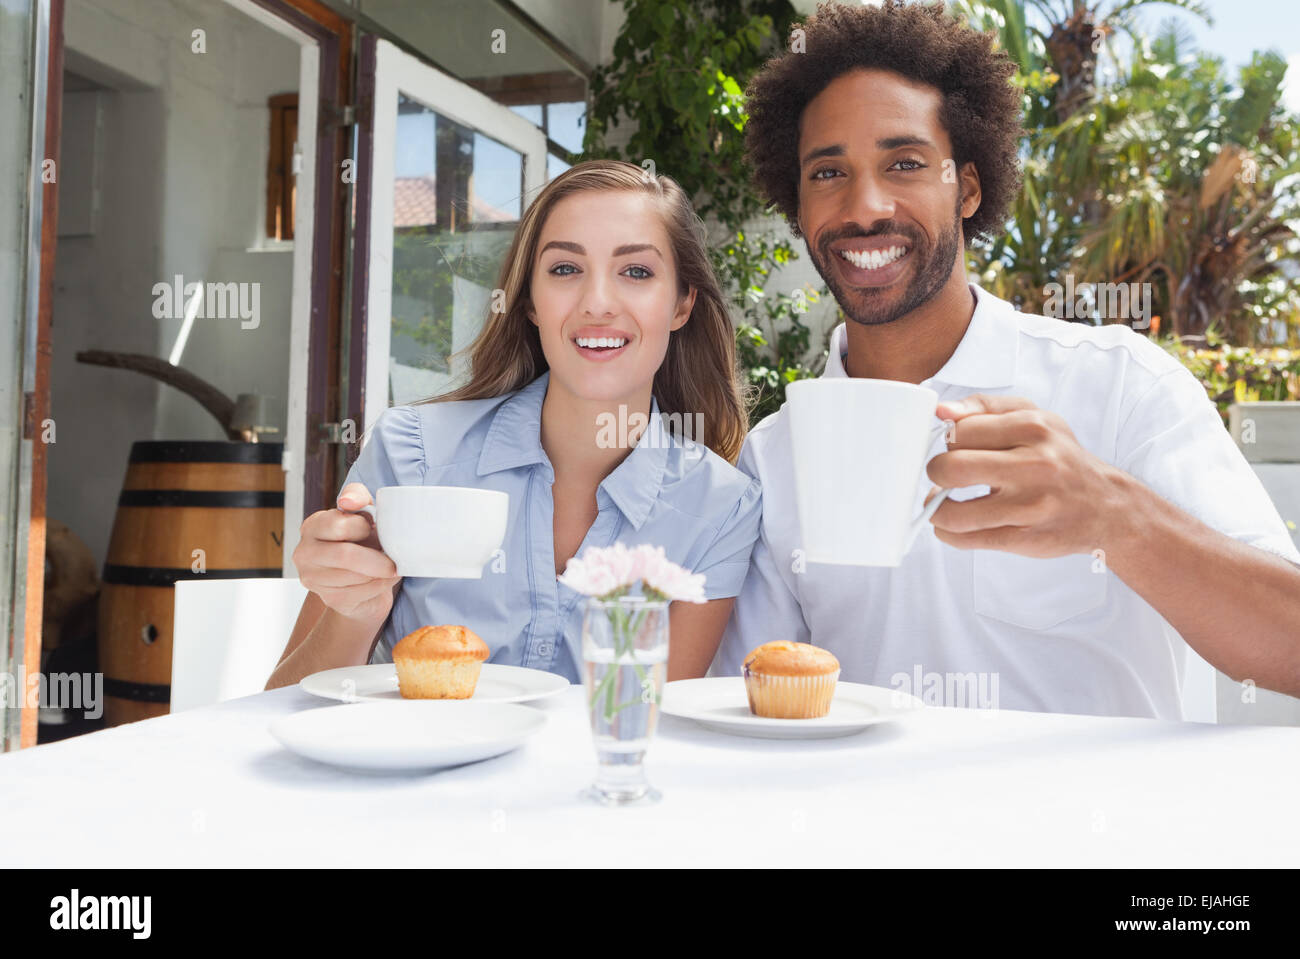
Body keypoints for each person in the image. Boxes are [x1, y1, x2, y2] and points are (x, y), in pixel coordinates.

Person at [713, 0, 1300, 718]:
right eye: (828, 173)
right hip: (872, 828)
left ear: (966, 186)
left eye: (904, 163)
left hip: (1104, 830)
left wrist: (1114, 517)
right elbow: (756, 702)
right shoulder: (775, 459)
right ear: (797, 204)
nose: (865, 206)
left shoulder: (1119, 385)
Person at [267, 160, 762, 689]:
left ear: (682, 303)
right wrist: (355, 609)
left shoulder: (721, 509)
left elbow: (647, 728)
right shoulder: (413, 453)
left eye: (636, 272)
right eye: (565, 270)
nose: (597, 304)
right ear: (528, 302)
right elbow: (284, 704)